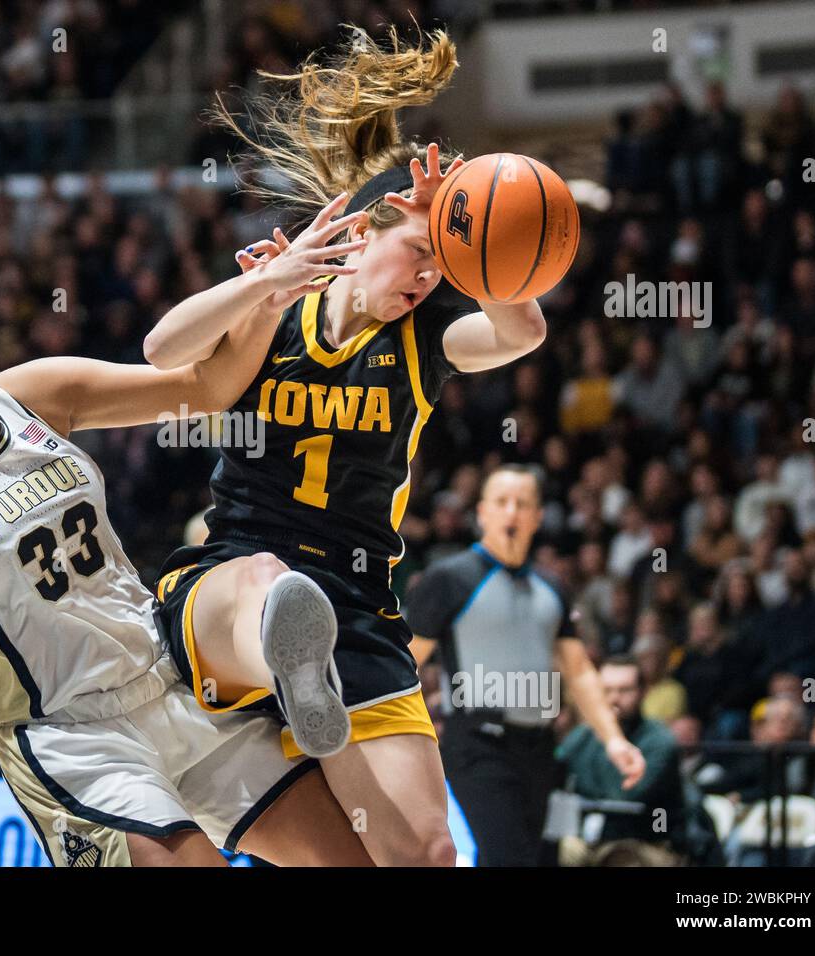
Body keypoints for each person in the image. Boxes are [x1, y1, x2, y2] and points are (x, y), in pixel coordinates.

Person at [0, 119, 371, 867]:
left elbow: (205, 385)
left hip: (168, 677)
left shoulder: (30, 392)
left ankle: (275, 652)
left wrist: (270, 295)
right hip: (71, 736)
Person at [143, 25, 548, 867]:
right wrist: (256, 285)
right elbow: (162, 351)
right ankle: (297, 678)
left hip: (360, 603)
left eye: (444, 269)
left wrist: (480, 258)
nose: (425, 280)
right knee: (270, 585)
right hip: (235, 576)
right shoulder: (278, 299)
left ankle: (311, 690)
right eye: (420, 255)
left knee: (428, 854)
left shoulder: (427, 336)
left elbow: (521, 333)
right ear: (366, 230)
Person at [403, 465, 646, 866]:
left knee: (535, 858)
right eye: (502, 503)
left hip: (540, 749)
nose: (512, 512)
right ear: (482, 513)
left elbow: (579, 669)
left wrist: (614, 739)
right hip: (479, 744)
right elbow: (405, 661)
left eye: (523, 504)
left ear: (537, 516)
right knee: (509, 858)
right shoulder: (449, 579)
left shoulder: (552, 587)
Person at [557, 656, 686, 864]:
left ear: (643, 692)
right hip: (590, 838)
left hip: (649, 839)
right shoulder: (583, 736)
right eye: (606, 690)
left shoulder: (659, 740)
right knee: (556, 850)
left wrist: (605, 744)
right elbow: (552, 775)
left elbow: (625, 795)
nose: (614, 699)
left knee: (621, 859)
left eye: (624, 690)